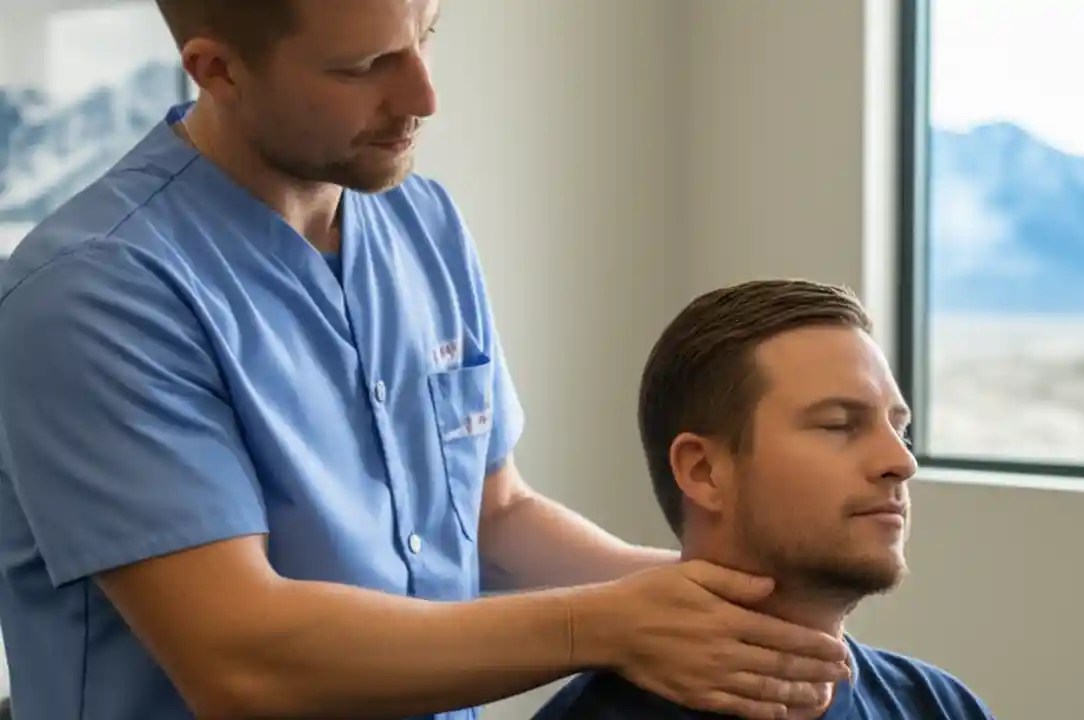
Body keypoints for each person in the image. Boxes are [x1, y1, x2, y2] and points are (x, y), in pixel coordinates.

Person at [0, 2, 854, 719]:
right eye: (365, 65)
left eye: (428, 34)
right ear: (216, 69)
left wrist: (732, 602)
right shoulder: (95, 292)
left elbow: (493, 515)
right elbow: (241, 657)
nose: (424, 96)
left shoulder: (421, 222)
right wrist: (612, 623)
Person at [534, 280, 997, 719]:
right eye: (839, 424)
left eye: (900, 429)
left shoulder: (941, 706)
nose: (902, 462)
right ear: (704, 472)